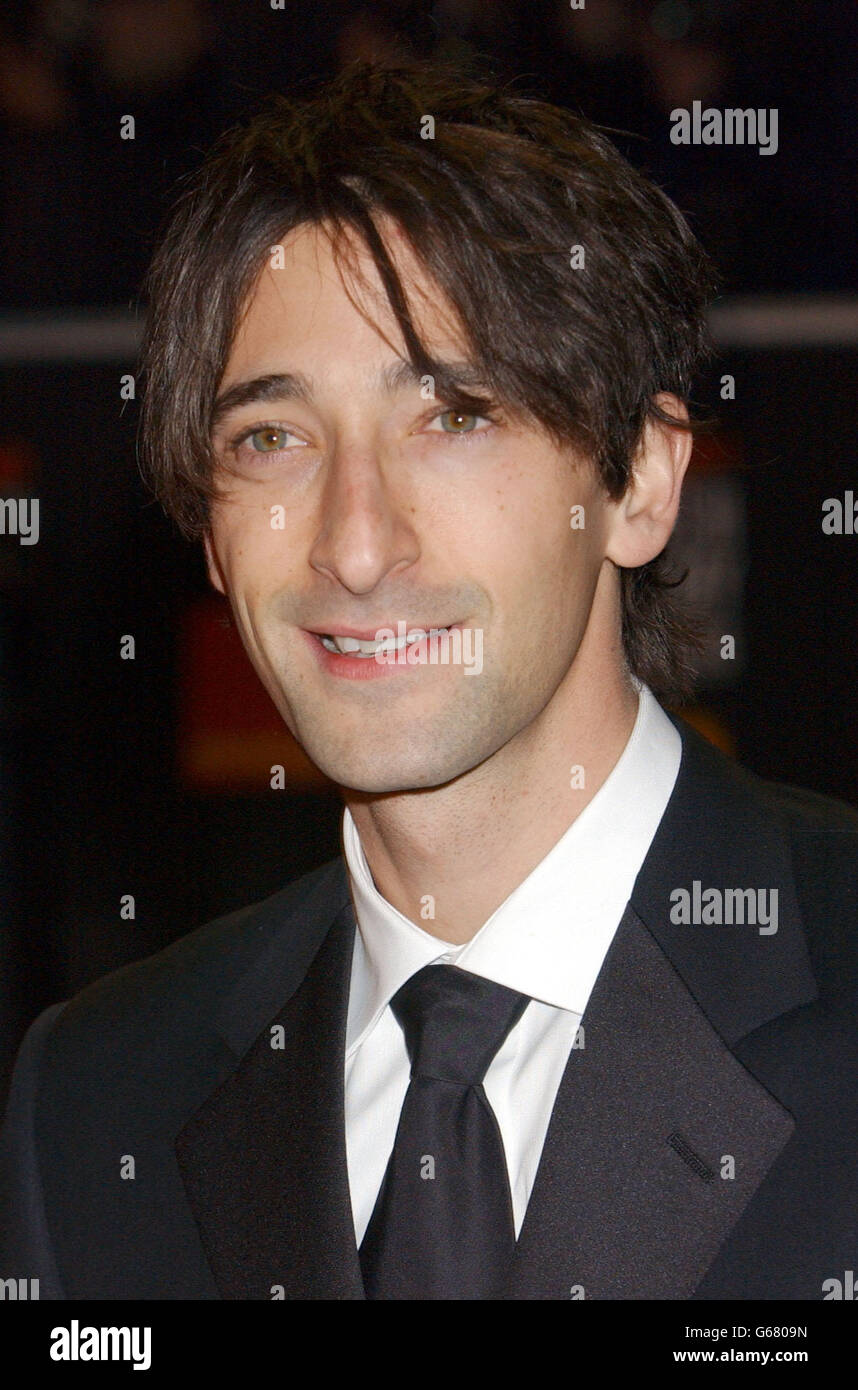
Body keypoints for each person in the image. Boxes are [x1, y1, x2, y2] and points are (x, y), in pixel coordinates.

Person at [2, 61, 856, 1301]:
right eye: (271, 439)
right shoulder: (92, 1101)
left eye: (454, 417)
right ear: (206, 533)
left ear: (640, 484)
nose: (355, 544)